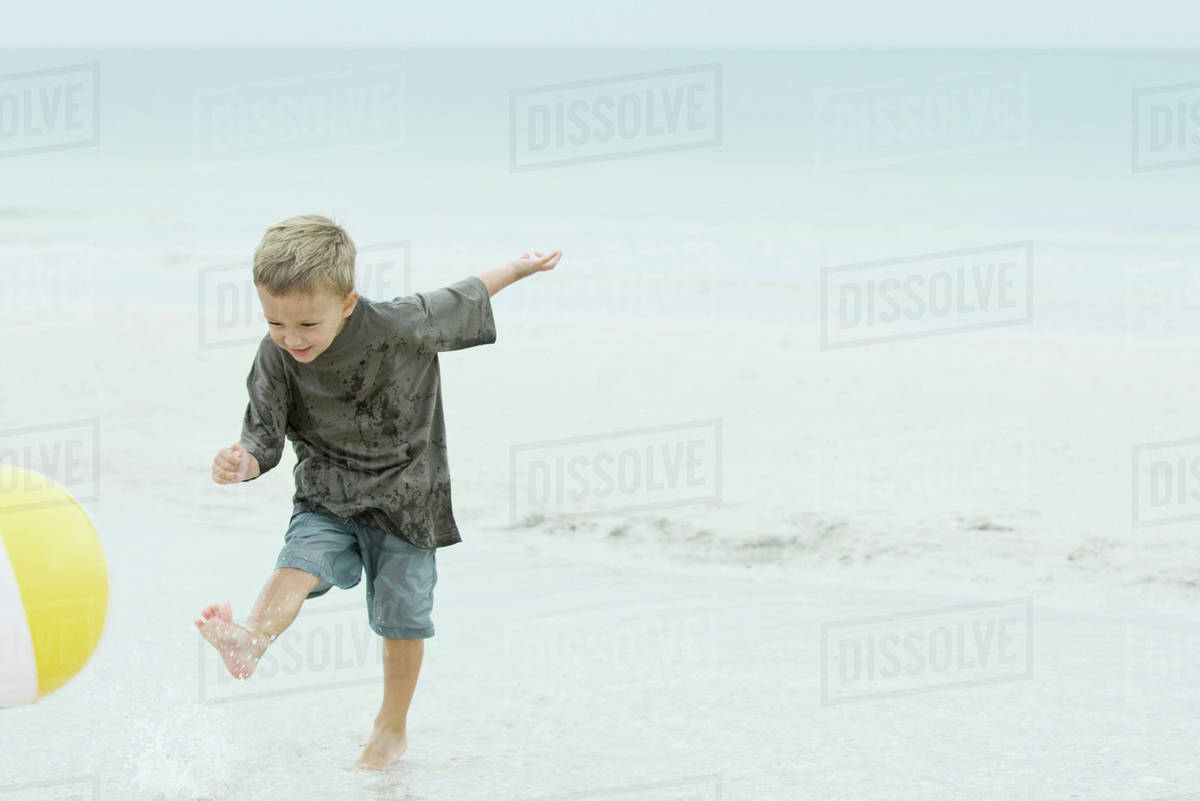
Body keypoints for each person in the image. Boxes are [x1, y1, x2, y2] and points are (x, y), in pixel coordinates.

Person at [194, 213, 562, 770]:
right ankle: (252, 637)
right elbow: (262, 436)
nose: (291, 339)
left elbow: (463, 294)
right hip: (327, 492)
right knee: (299, 560)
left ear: (347, 301)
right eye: (275, 322)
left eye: (306, 325)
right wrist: (242, 462)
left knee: (402, 616)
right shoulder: (275, 357)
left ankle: (390, 730)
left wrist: (517, 267)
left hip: (410, 497)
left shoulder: (399, 324)